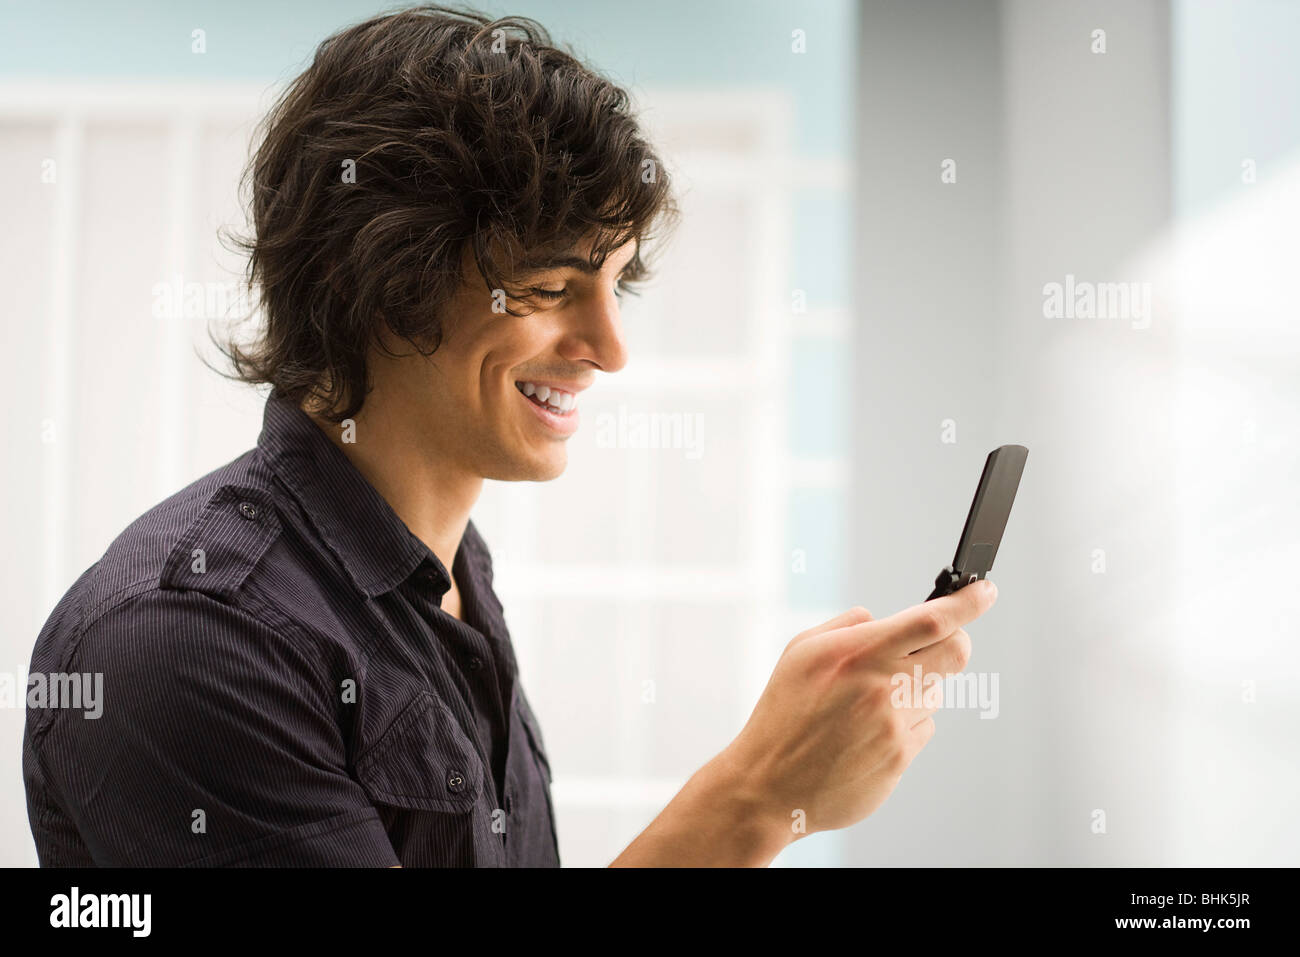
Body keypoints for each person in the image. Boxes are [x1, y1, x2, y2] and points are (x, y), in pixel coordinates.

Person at [23, 4, 995, 867]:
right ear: (385, 277)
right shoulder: (185, 641)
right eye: (551, 286)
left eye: (615, 285)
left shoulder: (449, 579)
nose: (610, 350)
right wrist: (752, 802)